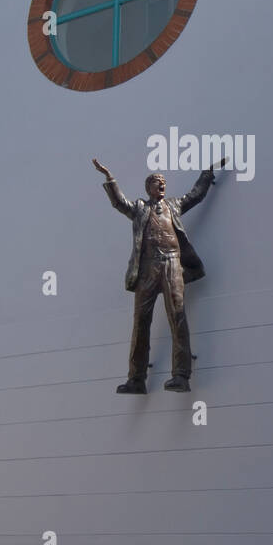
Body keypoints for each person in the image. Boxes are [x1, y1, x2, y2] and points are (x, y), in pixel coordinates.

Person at [92, 156, 225, 393]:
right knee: (140, 322)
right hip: (147, 270)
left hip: (172, 264)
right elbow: (120, 203)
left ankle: (181, 375)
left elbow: (195, 195)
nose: (162, 184)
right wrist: (109, 178)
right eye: (156, 181)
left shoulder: (174, 205)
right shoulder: (140, 209)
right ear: (148, 188)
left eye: (163, 181)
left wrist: (208, 172)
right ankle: (136, 379)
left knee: (178, 316)